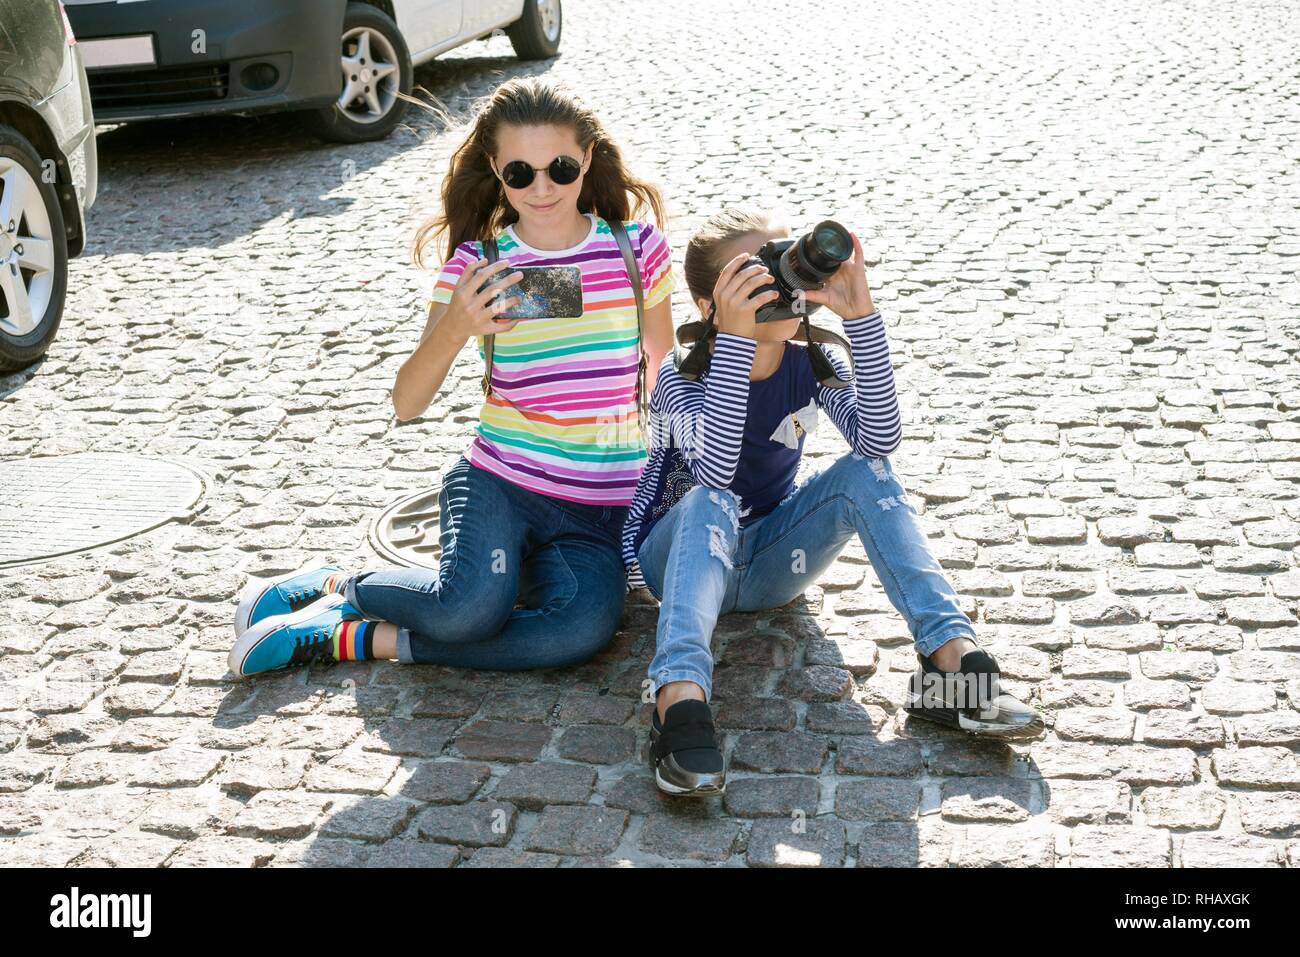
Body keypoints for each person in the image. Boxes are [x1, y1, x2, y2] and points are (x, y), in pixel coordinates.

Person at [227, 77, 675, 678]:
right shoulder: (480, 266)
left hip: (600, 505)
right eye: (520, 173)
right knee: (467, 611)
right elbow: (407, 403)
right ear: (495, 168)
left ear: (588, 159)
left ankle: (347, 637)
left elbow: (664, 372)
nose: (541, 189)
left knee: (577, 631)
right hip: (503, 483)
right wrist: (458, 325)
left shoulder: (636, 250)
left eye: (560, 168)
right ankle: (341, 585)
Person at [625, 207, 1041, 797]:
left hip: (767, 564)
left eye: (782, 262)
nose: (779, 283)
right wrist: (736, 342)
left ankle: (952, 663)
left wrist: (861, 317)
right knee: (708, 502)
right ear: (708, 304)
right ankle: (677, 699)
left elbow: (879, 440)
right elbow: (713, 473)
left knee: (866, 471)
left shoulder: (811, 360)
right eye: (756, 273)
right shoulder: (680, 374)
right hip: (680, 562)